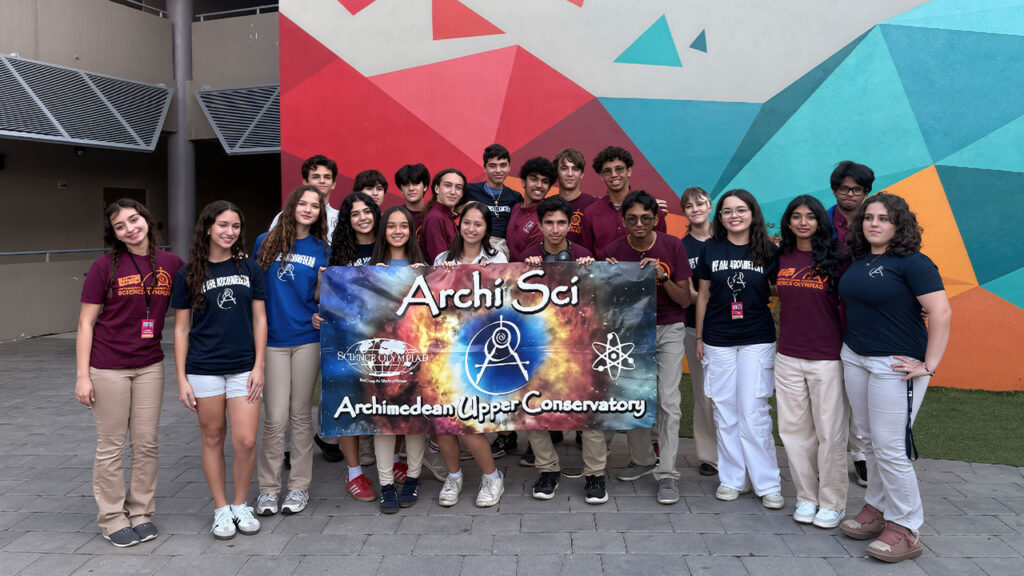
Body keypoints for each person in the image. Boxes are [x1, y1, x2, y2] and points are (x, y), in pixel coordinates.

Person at [837, 193, 951, 563]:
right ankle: (877, 508)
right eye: (869, 217)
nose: (874, 223)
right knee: (868, 440)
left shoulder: (914, 263)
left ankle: (906, 527)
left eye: (884, 218)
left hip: (895, 365)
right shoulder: (862, 259)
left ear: (899, 224)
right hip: (856, 356)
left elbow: (941, 312)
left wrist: (929, 365)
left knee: (890, 447)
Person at [75, 199, 184, 547]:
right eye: (120, 226)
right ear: (115, 234)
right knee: (111, 446)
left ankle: (140, 512)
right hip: (108, 367)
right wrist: (82, 376)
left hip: (150, 365)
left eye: (134, 220)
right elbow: (86, 323)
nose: (130, 228)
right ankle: (112, 518)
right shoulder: (103, 267)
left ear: (146, 220)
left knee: (146, 443)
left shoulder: (172, 264)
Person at [171, 201, 267, 540]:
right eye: (223, 225)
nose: (230, 232)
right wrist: (181, 378)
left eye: (236, 226)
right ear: (208, 227)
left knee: (246, 439)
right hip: (204, 368)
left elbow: (260, 319)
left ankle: (241, 504)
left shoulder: (250, 269)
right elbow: (181, 329)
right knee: (212, 436)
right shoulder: (188, 274)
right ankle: (221, 509)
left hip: (243, 367)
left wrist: (259, 365)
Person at [693, 189, 784, 510]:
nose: (734, 216)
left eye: (741, 209)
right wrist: (699, 338)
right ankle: (733, 479)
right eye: (728, 211)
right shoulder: (710, 248)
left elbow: (781, 290)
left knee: (753, 411)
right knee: (724, 410)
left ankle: (767, 483)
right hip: (717, 339)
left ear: (752, 213)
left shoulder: (769, 250)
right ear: (719, 217)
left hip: (757, 338)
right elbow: (703, 296)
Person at [604, 191, 693, 505]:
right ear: (624, 220)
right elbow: (607, 303)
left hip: (669, 327)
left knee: (668, 400)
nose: (639, 224)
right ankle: (642, 460)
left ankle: (667, 473)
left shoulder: (672, 246)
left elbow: (685, 300)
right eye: (632, 219)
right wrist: (609, 278)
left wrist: (663, 277)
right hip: (632, 330)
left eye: (646, 218)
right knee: (635, 396)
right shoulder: (614, 251)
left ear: (656, 219)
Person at [253, 185, 329, 517]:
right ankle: (268, 489)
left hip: (307, 337)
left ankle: (299, 487)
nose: (308, 209)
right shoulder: (265, 241)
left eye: (315, 205)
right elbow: (255, 290)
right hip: (272, 340)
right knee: (274, 418)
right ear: (292, 206)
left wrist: (320, 303)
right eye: (303, 203)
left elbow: (321, 296)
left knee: (300, 415)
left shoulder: (322, 248)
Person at [774, 195, 850, 529]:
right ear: (788, 221)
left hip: (827, 358)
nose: (803, 222)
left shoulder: (838, 258)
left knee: (830, 434)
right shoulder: (780, 256)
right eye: (796, 216)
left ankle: (833, 502)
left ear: (821, 221)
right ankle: (806, 497)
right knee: (794, 432)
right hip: (788, 356)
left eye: (810, 216)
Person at [433, 202, 507, 507]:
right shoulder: (442, 259)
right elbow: (431, 302)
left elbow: (502, 303)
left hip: (481, 348)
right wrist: (442, 276)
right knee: (442, 420)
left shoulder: (496, 258)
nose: (472, 229)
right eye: (467, 223)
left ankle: (492, 477)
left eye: (478, 224)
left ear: (486, 228)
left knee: (465, 418)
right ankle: (454, 476)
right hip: (446, 347)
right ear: (459, 224)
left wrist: (486, 277)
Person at [364, 206, 431, 512]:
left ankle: (413, 478)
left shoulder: (424, 267)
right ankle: (386, 484)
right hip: (383, 356)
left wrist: (426, 274)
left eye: (403, 226)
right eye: (391, 226)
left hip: (415, 352)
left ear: (411, 231)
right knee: (384, 419)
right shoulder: (369, 269)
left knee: (414, 418)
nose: (398, 231)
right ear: (384, 231)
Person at [321, 191, 382, 500]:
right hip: (347, 338)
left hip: (387, 336)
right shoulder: (338, 253)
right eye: (355, 213)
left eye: (367, 211)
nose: (362, 218)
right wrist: (320, 309)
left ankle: (393, 463)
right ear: (347, 219)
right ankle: (354, 473)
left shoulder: (388, 244)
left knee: (391, 399)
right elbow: (323, 296)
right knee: (347, 402)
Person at [828, 160, 875, 488]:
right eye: (844, 188)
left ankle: (861, 456)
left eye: (857, 189)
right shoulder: (822, 219)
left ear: (866, 192)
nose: (850, 194)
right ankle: (828, 456)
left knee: (862, 391)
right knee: (831, 392)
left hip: (864, 314)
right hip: (827, 311)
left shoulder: (877, 219)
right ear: (835, 190)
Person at [679, 187, 719, 478]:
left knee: (730, 394)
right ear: (684, 212)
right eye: (689, 206)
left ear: (710, 206)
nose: (696, 209)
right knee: (704, 392)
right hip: (694, 327)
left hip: (731, 329)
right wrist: (708, 300)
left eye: (700, 203)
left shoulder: (727, 240)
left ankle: (735, 451)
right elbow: (689, 293)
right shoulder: (682, 247)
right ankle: (709, 456)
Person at [580, 146, 666, 259]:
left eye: (619, 169)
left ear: (628, 171)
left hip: (644, 270)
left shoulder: (651, 209)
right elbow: (588, 256)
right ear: (601, 176)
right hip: (604, 270)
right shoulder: (591, 213)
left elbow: (662, 250)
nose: (614, 174)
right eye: (607, 171)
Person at [460, 144, 523, 256]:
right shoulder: (470, 190)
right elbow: (450, 213)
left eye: (503, 165)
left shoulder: (515, 197)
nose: (498, 170)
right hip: (472, 242)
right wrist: (465, 207)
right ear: (485, 168)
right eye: (493, 166)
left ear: (509, 167)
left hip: (502, 247)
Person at [270, 154, 341, 238]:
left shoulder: (340, 217)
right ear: (305, 182)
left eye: (327, 177)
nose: (322, 181)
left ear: (333, 184)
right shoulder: (285, 216)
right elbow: (272, 243)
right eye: (316, 177)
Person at [506, 156, 557, 262]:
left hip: (530, 271)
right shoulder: (516, 208)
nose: (539, 185)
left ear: (549, 187)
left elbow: (534, 260)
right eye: (534, 179)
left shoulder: (546, 217)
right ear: (523, 182)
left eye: (545, 181)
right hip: (508, 269)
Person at [552, 148, 597, 246]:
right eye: (564, 168)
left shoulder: (595, 205)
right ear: (556, 173)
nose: (570, 174)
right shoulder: (547, 205)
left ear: (582, 174)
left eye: (575, 169)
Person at [420, 168, 466, 263]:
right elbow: (440, 262)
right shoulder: (435, 217)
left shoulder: (447, 215)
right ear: (437, 189)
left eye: (458, 187)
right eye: (448, 185)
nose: (453, 192)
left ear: (462, 194)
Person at [395, 163, 430, 242]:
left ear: (425, 187)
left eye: (415, 183)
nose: (411, 188)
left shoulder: (434, 214)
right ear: (401, 190)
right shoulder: (395, 215)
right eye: (406, 185)